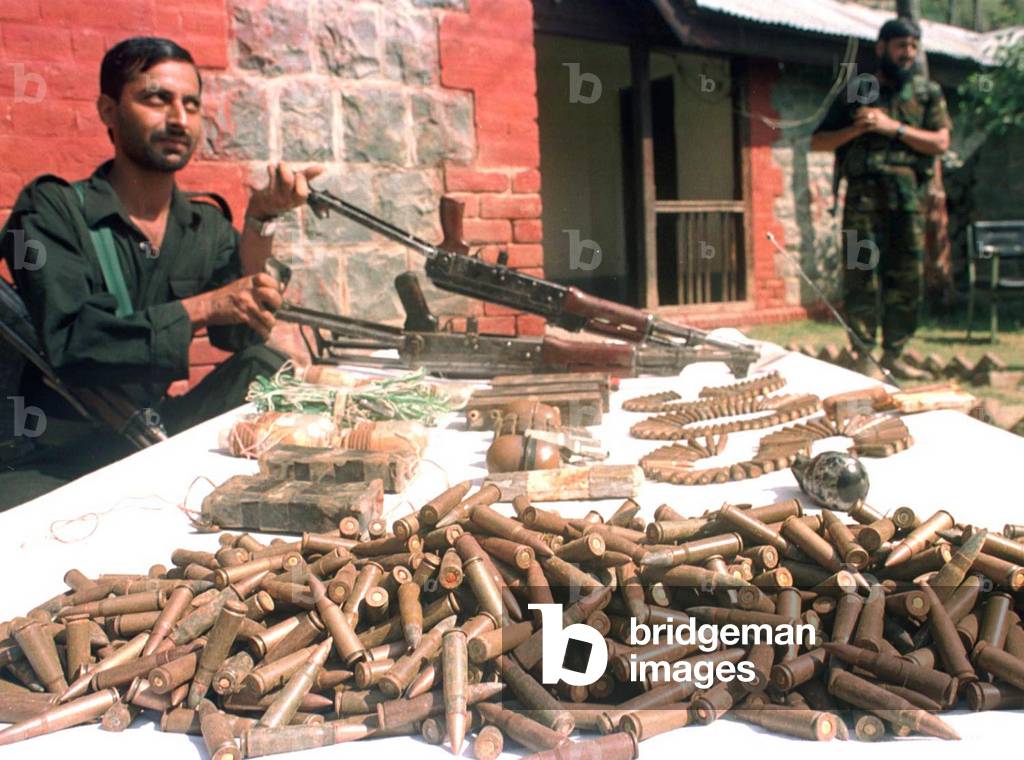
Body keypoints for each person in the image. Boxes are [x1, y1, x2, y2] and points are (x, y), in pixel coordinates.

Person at [1, 37, 323, 443]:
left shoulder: (202, 225)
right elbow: (73, 344)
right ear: (108, 110)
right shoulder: (52, 210)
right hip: (57, 448)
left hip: (147, 429)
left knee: (264, 365)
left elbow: (238, 334)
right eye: (157, 99)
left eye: (191, 104)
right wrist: (202, 307)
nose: (179, 119)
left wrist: (262, 220)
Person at [811, 17, 951, 381]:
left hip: (908, 207)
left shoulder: (927, 93)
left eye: (913, 46)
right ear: (881, 48)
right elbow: (818, 141)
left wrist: (894, 128)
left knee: (906, 279)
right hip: (862, 207)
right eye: (900, 45)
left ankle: (895, 354)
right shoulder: (858, 89)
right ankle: (863, 357)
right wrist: (857, 129)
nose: (908, 53)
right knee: (861, 276)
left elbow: (940, 142)